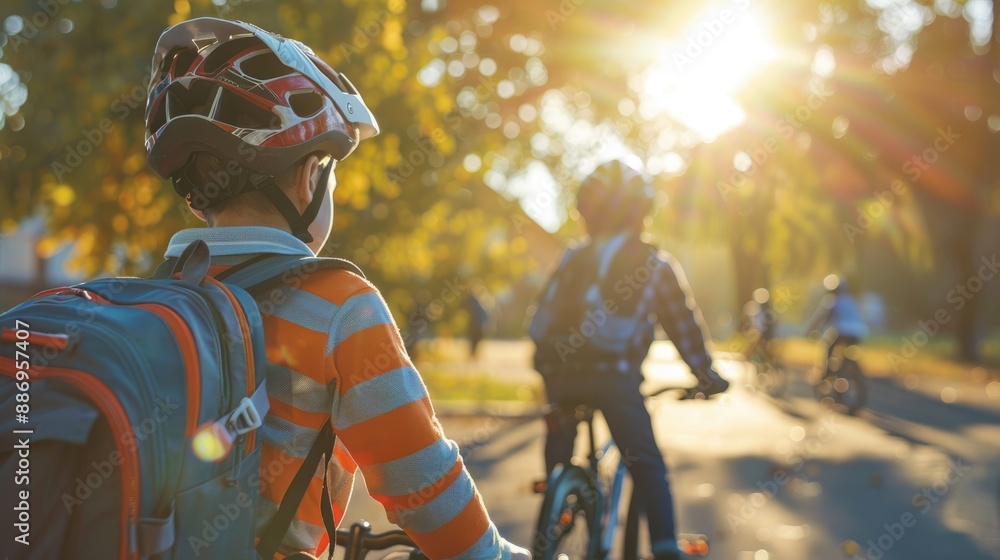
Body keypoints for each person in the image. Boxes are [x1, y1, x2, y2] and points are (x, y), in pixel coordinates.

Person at [144, 18, 529, 559]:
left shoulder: (156, 296)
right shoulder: (339, 304)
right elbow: (423, 486)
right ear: (307, 179)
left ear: (195, 197)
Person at [528, 159, 729, 560]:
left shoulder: (572, 259)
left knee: (560, 431)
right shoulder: (654, 265)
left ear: (586, 212)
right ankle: (665, 546)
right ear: (642, 213)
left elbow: (540, 322)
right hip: (613, 378)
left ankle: (559, 494)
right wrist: (705, 375)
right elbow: (682, 327)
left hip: (559, 372)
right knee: (647, 463)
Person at [808, 274, 869, 366]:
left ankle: (826, 373)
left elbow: (822, 317)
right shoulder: (852, 300)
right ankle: (854, 373)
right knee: (850, 353)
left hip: (841, 331)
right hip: (857, 332)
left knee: (828, 347)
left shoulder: (832, 300)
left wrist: (813, 329)